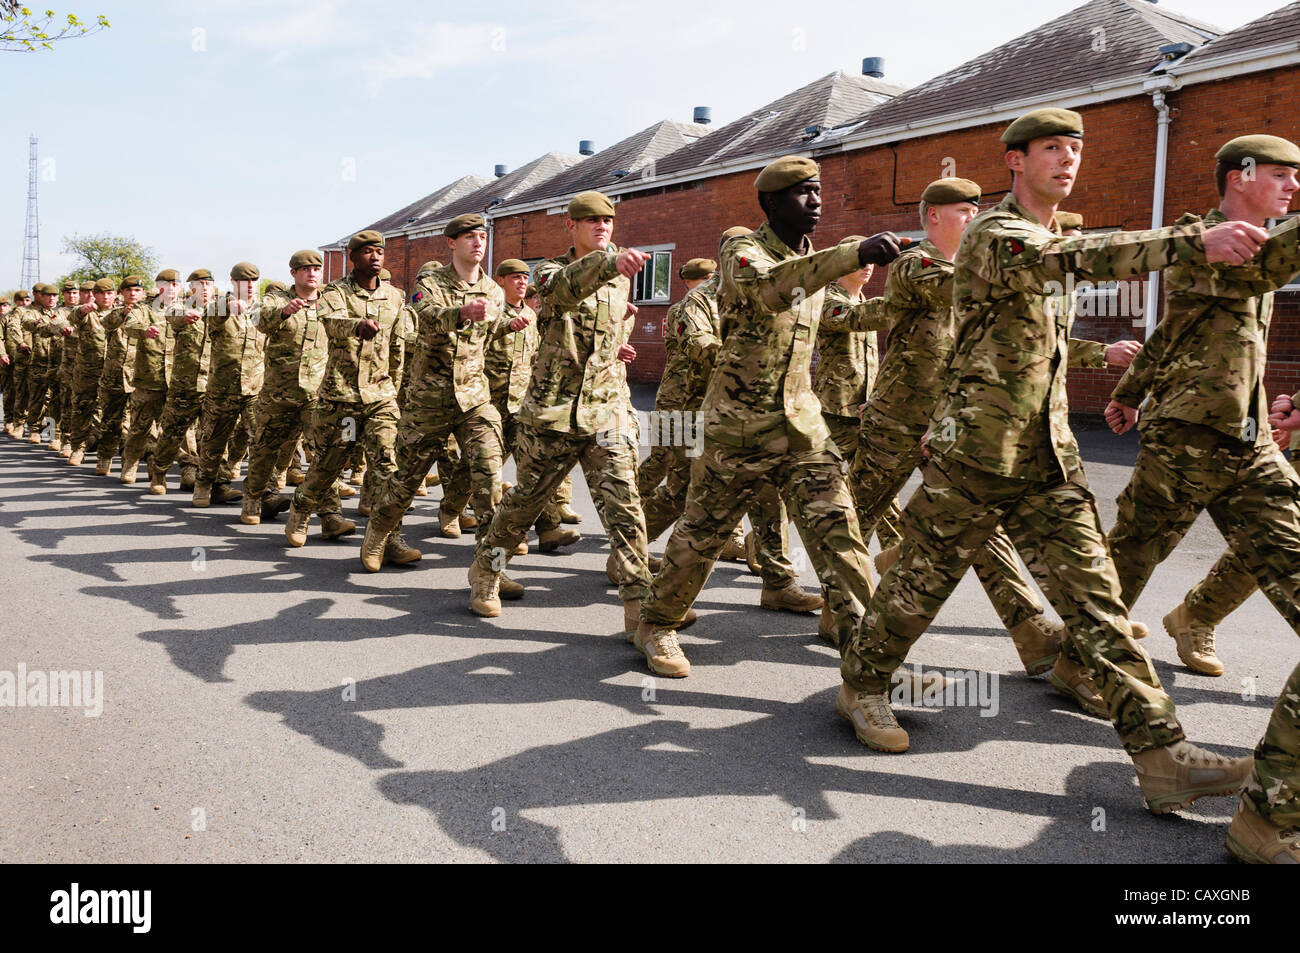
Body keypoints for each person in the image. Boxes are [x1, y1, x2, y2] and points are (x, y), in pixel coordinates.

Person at [837, 108, 1263, 822]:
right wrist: (1192, 241)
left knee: (1098, 604)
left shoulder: (1049, 238)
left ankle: (1162, 756)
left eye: (1075, 150)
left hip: (1046, 454)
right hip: (975, 451)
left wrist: (1116, 367)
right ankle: (864, 681)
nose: (1067, 160)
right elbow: (1073, 260)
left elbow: (1044, 345)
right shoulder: (998, 236)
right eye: (1051, 149)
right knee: (917, 584)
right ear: (1014, 161)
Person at [1101, 134, 1300, 859]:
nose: (1292, 188)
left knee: (1283, 551)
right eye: (1282, 175)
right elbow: (1172, 329)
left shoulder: (1259, 247)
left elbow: (1172, 333)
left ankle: (1194, 620)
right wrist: (1133, 389)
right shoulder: (1200, 242)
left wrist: (1127, 389)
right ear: (1239, 176)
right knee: (1130, 556)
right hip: (1185, 437)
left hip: (1247, 445)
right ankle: (1077, 659)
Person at [635, 156, 904, 676]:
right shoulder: (743, 249)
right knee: (700, 537)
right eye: (803, 192)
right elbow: (770, 288)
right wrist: (851, 252)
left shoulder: (815, 265)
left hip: (803, 428)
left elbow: (843, 317)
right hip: (736, 428)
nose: (816, 201)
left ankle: (873, 671)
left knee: (841, 538)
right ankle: (657, 622)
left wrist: (911, 299)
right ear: (771, 202)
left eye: (819, 191)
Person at [467, 191, 649, 625]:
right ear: (571, 226)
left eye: (607, 221)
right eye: (590, 221)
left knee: (625, 508)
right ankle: (486, 570)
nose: (601, 227)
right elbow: (562, 291)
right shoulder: (549, 272)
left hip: (606, 412)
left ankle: (644, 614)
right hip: (553, 410)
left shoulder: (621, 277)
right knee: (525, 505)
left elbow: (603, 340)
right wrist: (609, 263)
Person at [361, 213, 523, 571]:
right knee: (404, 478)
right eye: (469, 237)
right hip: (428, 399)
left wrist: (511, 327)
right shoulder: (430, 281)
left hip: (475, 399)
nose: (477, 242)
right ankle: (379, 534)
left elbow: (491, 337)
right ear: (452, 243)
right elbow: (425, 313)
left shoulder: (494, 292)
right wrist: (462, 312)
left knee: (489, 478)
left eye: (481, 236)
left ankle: (490, 569)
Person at [285, 231, 402, 548]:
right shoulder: (335, 292)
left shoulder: (394, 296)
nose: (375, 257)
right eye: (367, 252)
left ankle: (387, 537)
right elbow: (332, 321)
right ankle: (301, 508)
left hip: (380, 396)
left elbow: (397, 345)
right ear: (353, 257)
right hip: (343, 397)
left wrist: (397, 387)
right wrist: (357, 325)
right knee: (329, 464)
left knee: (387, 465)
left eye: (379, 251)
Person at [241, 250, 345, 532]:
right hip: (279, 393)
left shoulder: (331, 302)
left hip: (316, 395)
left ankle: (330, 514)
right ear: (294, 273)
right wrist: (284, 312)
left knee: (325, 453)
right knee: (265, 449)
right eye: (305, 269)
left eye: (316, 268)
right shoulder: (277, 299)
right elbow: (259, 320)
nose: (312, 273)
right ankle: (252, 499)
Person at [192, 263, 264, 506]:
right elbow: (210, 316)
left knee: (261, 441)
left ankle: (259, 494)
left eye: (254, 281)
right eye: (245, 281)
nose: (251, 286)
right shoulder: (218, 305)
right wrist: (228, 307)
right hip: (224, 387)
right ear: (233, 282)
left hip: (255, 388)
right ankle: (205, 485)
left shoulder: (264, 310)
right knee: (214, 440)